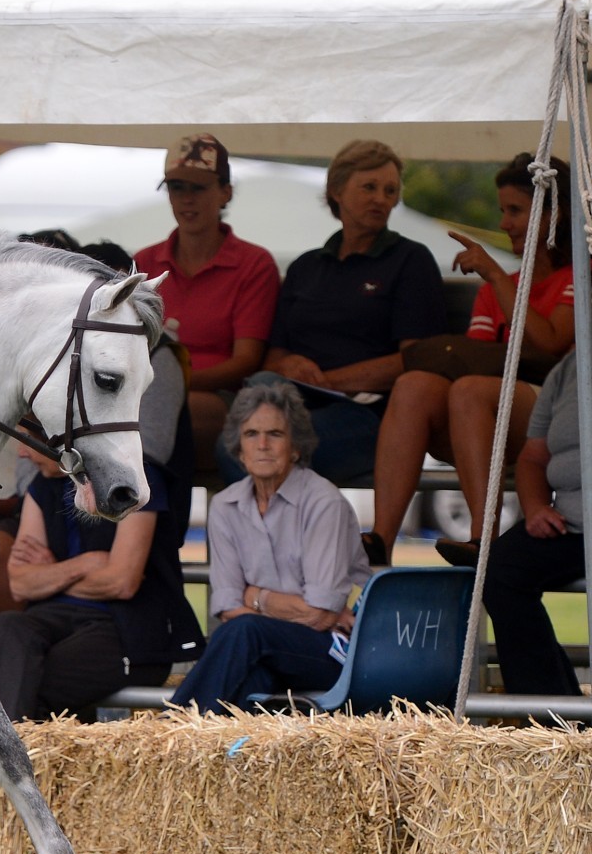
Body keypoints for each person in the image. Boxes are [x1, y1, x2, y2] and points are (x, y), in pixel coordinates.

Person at [0, 240, 204, 723]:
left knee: (26, 679)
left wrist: (57, 575)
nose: (21, 451)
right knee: (7, 633)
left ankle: (6, 756)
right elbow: (20, 582)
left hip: (129, 628)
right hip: (65, 619)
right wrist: (86, 564)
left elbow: (123, 582)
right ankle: (18, 754)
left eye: (30, 439)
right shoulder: (45, 489)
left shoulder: (135, 481)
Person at [363, 154, 575, 567]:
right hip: (493, 416)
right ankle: (380, 539)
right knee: (415, 386)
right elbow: (477, 359)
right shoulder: (500, 287)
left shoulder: (577, 277)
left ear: (555, 215)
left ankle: (484, 540)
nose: (503, 223)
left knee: (470, 390)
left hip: (559, 413)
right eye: (502, 211)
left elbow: (550, 344)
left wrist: (497, 277)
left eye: (515, 211)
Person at [230, 139, 447, 485]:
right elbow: (273, 357)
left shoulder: (409, 260)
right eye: (369, 187)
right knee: (259, 396)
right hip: (293, 403)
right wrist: (290, 365)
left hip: (370, 412)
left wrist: (329, 381)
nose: (381, 199)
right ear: (336, 190)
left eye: (390, 190)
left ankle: (269, 537)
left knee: (259, 448)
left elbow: (417, 359)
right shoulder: (306, 267)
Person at [170, 383, 372, 715]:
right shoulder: (225, 505)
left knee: (247, 632)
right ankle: (219, 756)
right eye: (251, 434)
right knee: (251, 680)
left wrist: (255, 597)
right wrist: (277, 608)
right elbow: (226, 607)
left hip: (339, 650)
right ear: (238, 449)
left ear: (295, 448)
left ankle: (175, 727)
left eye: (275, 434)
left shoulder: (324, 502)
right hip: (268, 651)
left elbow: (321, 614)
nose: (262, 445)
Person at [134, 134, 280, 472]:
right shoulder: (145, 260)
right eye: (176, 187)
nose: (186, 199)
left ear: (225, 192)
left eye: (198, 188)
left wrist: (166, 383)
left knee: (169, 413)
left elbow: (246, 362)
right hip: (149, 393)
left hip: (224, 400)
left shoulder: (254, 264)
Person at [479, 354, 585, 699]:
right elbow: (533, 458)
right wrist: (537, 508)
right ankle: (553, 716)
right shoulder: (567, 367)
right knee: (501, 570)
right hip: (572, 522)